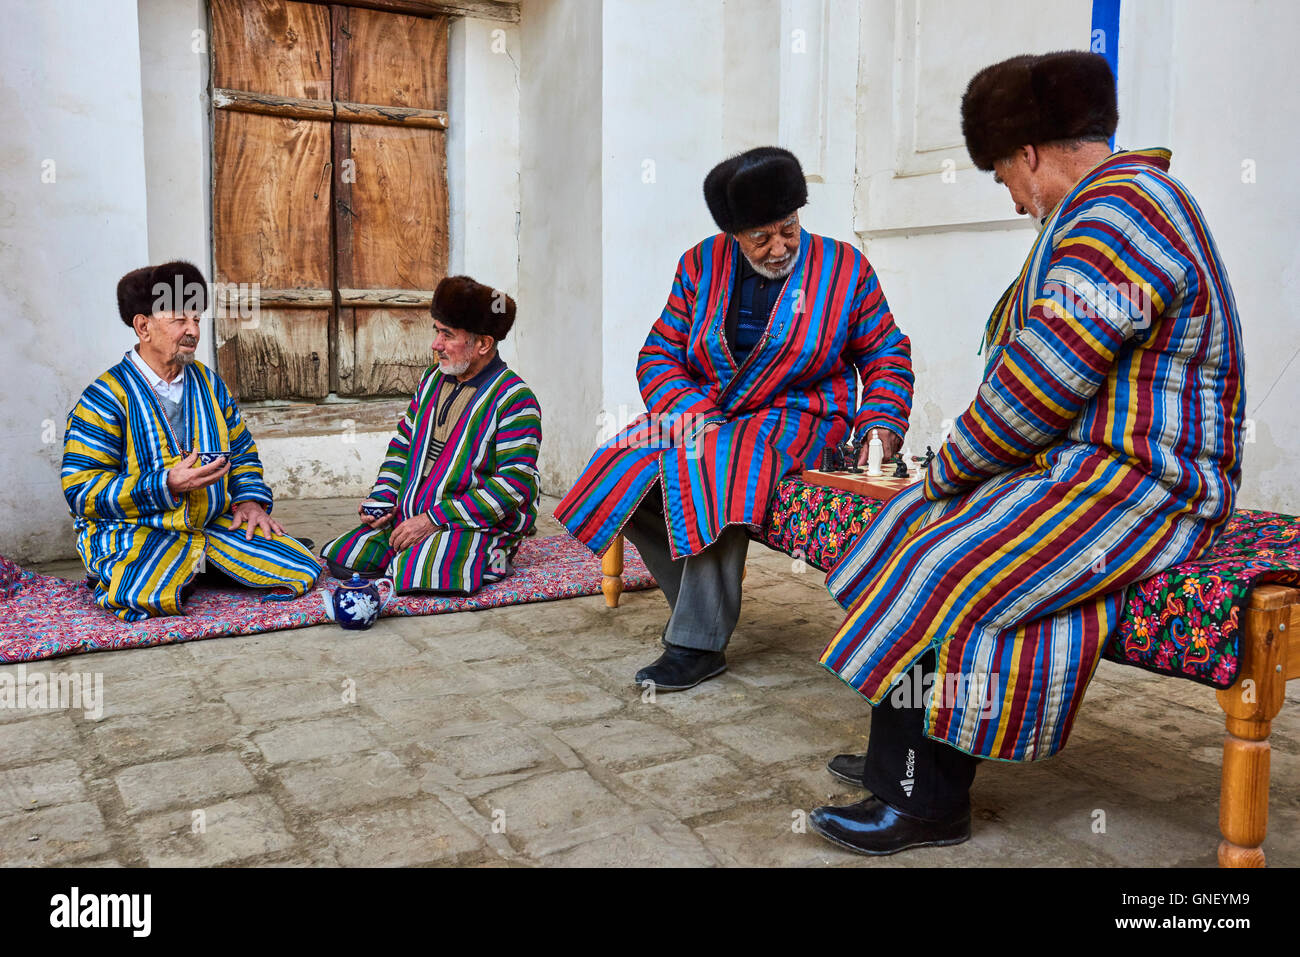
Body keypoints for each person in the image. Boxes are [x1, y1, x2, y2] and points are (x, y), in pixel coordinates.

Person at [809, 51, 1245, 855]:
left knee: (947, 556)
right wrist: (946, 480)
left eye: (1004, 173)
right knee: (911, 525)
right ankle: (895, 760)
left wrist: (949, 467)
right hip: (1089, 470)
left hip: (1150, 485)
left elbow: (1043, 377)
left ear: (1033, 153)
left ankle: (923, 798)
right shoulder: (1115, 204)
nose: (1010, 196)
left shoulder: (1124, 213)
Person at [556, 147, 914, 691]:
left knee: (717, 465)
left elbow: (886, 353)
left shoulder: (845, 269)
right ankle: (697, 610)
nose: (779, 248)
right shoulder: (700, 263)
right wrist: (692, 414)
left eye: (788, 229)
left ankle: (696, 644)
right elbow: (658, 355)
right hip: (707, 411)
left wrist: (881, 424)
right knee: (618, 465)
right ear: (732, 236)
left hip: (802, 416)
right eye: (760, 238)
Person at [61, 261, 321, 622]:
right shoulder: (105, 397)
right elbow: (80, 489)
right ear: (143, 326)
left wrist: (249, 501)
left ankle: (201, 564)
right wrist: (164, 484)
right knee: (142, 595)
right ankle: (142, 567)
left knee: (302, 567)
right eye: (179, 320)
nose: (192, 331)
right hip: (139, 529)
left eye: (196, 319)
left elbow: (242, 451)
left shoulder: (208, 384)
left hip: (210, 524)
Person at [320, 276, 541, 594]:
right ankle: (418, 548)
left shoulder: (516, 399)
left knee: (420, 573)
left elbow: (512, 487)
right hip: (414, 514)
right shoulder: (431, 380)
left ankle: (493, 555)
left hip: (472, 523)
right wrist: (382, 498)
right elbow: (403, 445)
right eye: (436, 331)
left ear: (483, 344)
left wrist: (434, 519)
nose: (436, 344)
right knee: (347, 558)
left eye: (447, 335)